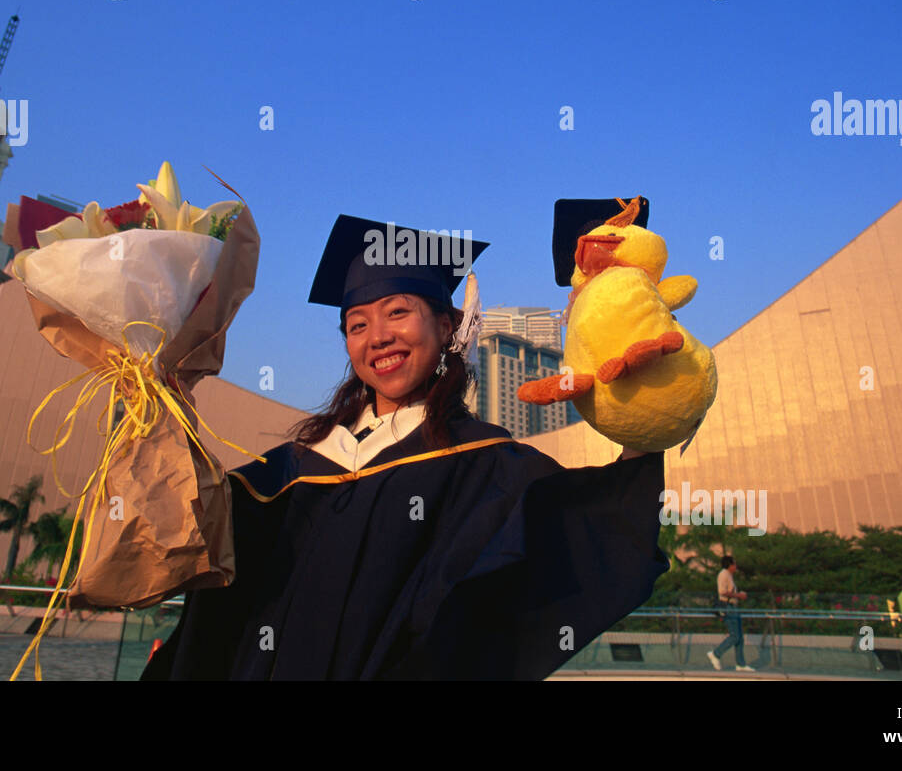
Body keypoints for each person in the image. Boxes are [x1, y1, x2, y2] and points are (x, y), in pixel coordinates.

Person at [143, 208, 671, 680]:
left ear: (445, 326)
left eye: (397, 312)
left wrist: (642, 413)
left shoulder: (487, 464)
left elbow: (593, 527)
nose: (377, 337)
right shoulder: (284, 473)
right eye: (357, 324)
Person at [707, 555, 753, 672]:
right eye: (734, 564)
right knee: (734, 636)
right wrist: (738, 595)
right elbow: (722, 591)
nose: (736, 566)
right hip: (727, 607)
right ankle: (716, 654)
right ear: (730, 565)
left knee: (740, 637)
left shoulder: (729, 575)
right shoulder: (723, 574)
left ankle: (740, 664)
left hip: (733, 607)